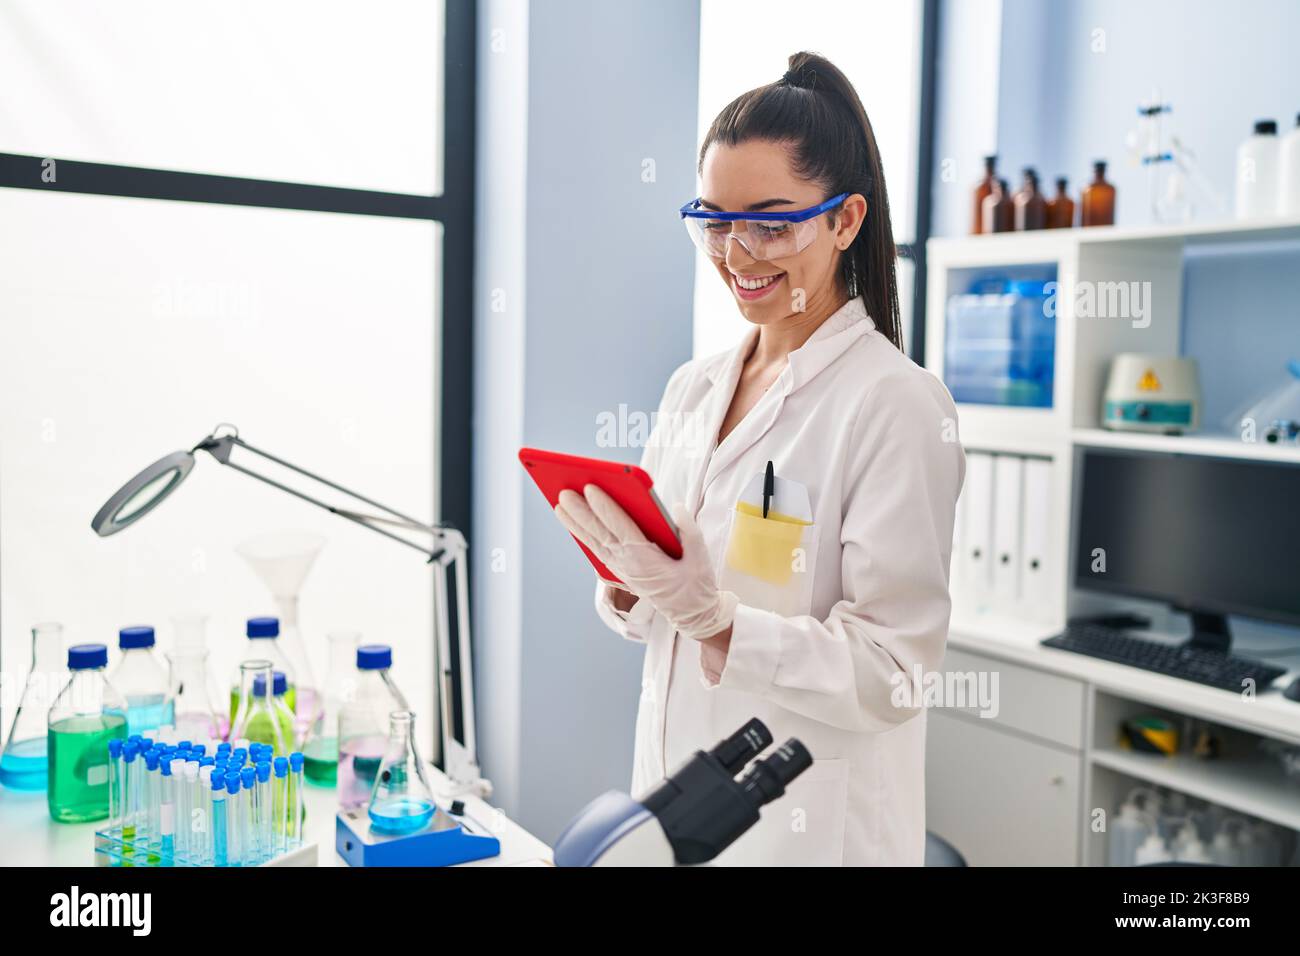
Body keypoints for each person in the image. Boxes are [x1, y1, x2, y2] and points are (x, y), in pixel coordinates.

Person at [554, 52, 964, 866]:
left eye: (771, 223)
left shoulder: (897, 404)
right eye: (714, 219)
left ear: (846, 221)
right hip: (673, 810)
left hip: (813, 833)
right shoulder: (693, 387)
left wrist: (717, 619)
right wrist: (629, 583)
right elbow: (661, 616)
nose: (737, 253)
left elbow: (893, 672)